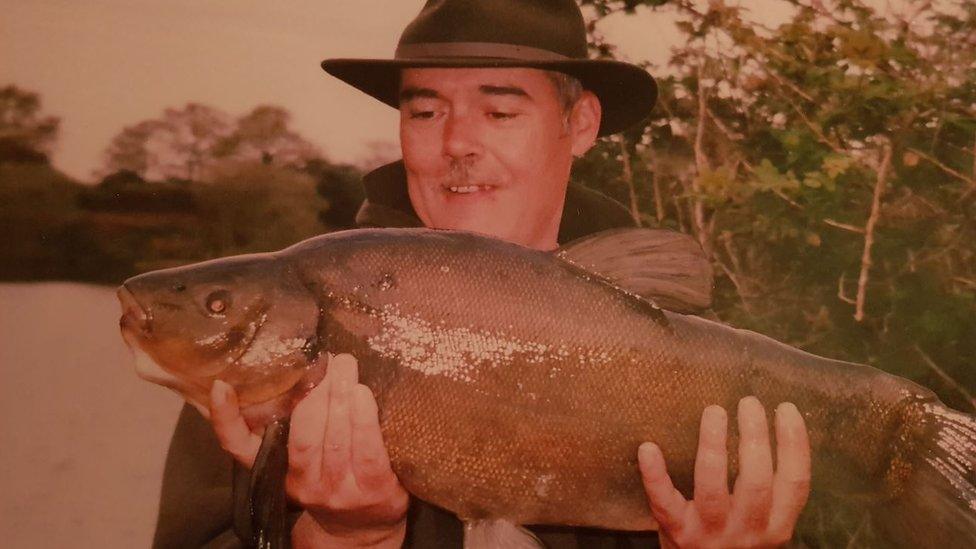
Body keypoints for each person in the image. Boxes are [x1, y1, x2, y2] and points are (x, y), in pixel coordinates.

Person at [152, 1, 812, 547]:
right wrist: (342, 537)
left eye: (499, 111)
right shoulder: (268, 346)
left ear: (579, 124)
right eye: (425, 110)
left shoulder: (698, 368)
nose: (458, 142)